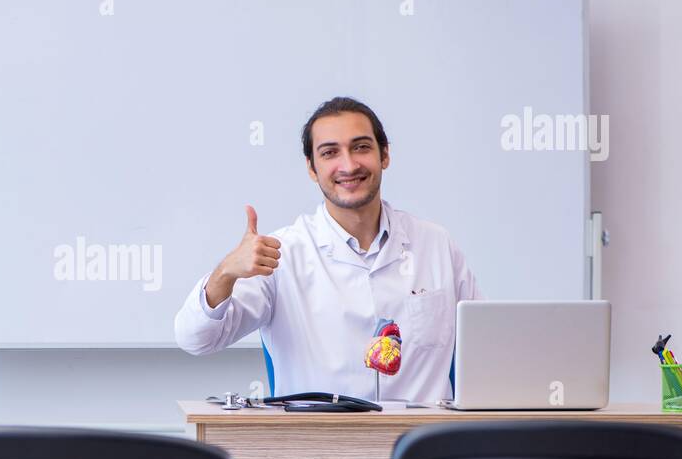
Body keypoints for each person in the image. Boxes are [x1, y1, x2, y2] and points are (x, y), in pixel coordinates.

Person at [174, 96, 482, 402]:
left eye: (361, 147)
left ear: (385, 155)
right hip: (319, 433)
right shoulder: (281, 253)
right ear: (312, 168)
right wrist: (225, 272)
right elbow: (195, 339)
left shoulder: (436, 244)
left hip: (424, 433)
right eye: (330, 153)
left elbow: (487, 346)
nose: (348, 165)